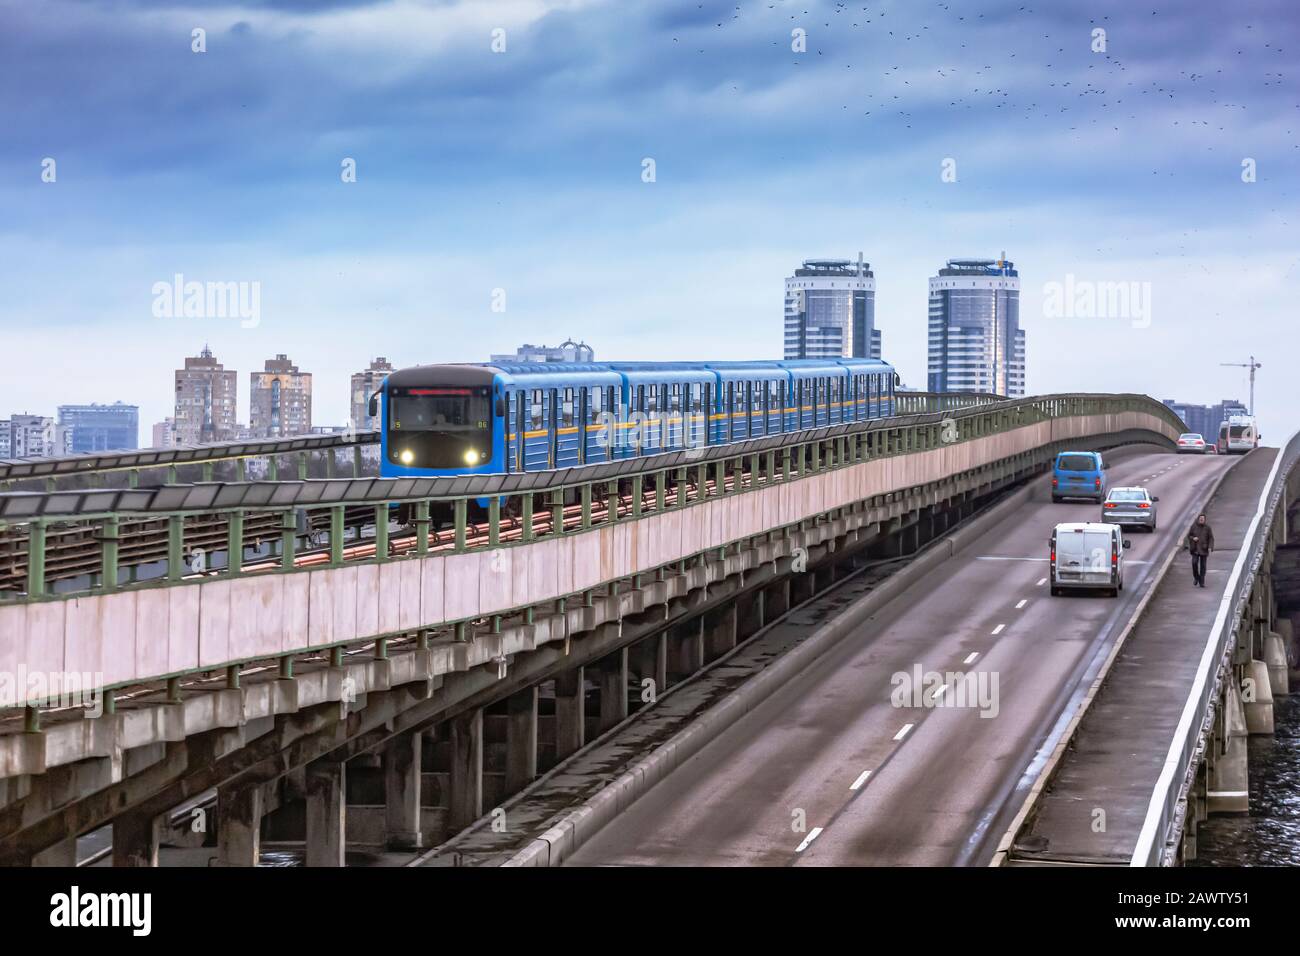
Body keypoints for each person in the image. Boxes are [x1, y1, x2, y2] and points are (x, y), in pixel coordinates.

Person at [1185, 513, 1215, 588]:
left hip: (1204, 549)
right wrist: (1193, 538)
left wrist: (1210, 547)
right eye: (1200, 519)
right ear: (1198, 519)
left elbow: (1211, 538)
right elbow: (1189, 535)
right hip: (1195, 549)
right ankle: (1196, 577)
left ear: (1204, 520)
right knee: (1194, 563)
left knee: (1203, 566)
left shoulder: (1207, 528)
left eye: (1203, 519)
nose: (1201, 520)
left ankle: (1202, 581)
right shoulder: (1194, 526)